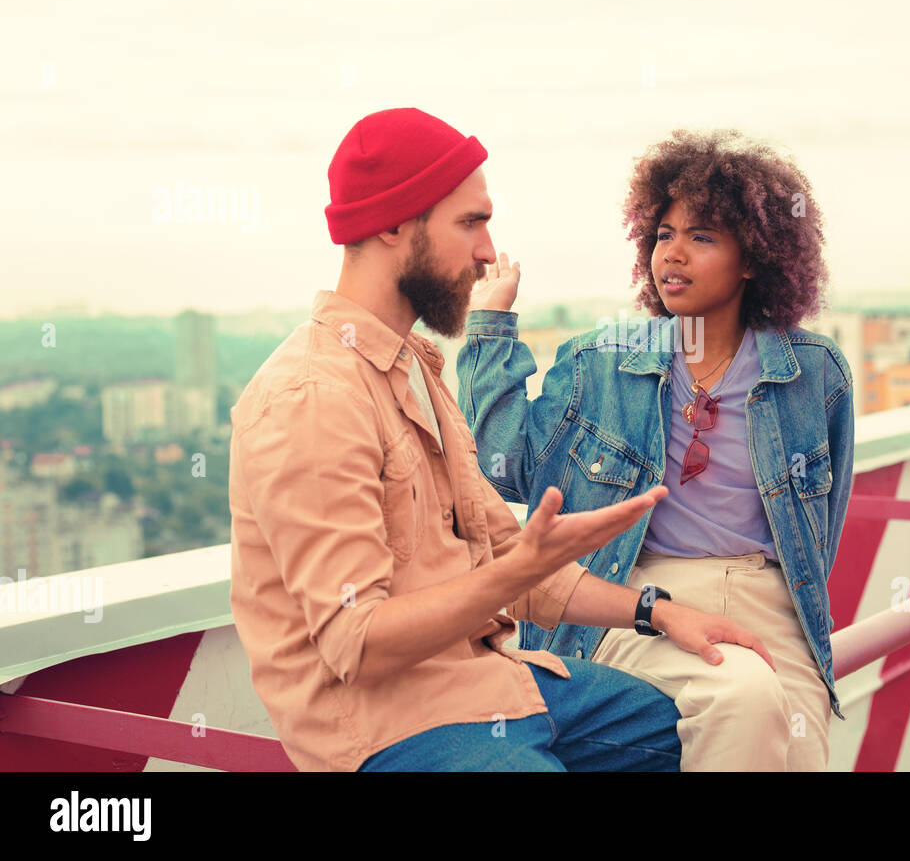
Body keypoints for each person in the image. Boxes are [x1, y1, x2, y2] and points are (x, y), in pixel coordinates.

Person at [227, 108, 772, 772]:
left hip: (485, 683)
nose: (488, 251)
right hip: (392, 730)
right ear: (394, 223)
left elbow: (511, 558)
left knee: (695, 730)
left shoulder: (415, 369)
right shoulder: (312, 397)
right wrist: (516, 571)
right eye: (471, 222)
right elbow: (356, 643)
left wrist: (656, 611)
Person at [457, 128, 855, 771]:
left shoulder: (813, 373)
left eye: (702, 237)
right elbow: (504, 468)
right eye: (665, 235)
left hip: (770, 598)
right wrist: (491, 327)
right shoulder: (599, 364)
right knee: (747, 697)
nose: (674, 254)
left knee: (802, 747)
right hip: (634, 592)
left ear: (754, 257)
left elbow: (821, 526)